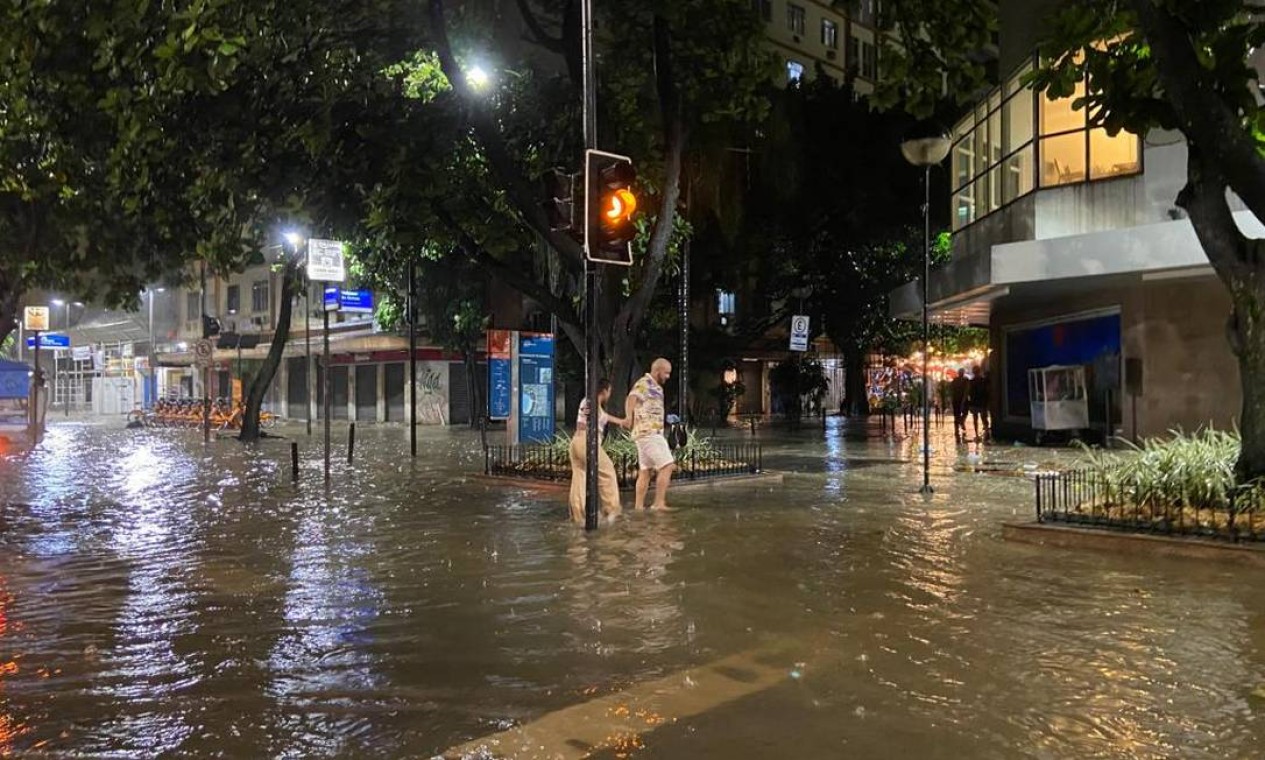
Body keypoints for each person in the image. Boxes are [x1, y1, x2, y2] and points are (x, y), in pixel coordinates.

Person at [569, 379, 626, 524]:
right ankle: (612, 510)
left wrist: (622, 422)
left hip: (576, 443)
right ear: (605, 391)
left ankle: (578, 516)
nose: (610, 394)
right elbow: (582, 422)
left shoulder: (594, 405)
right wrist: (586, 431)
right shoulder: (590, 402)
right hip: (587, 442)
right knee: (608, 472)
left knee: (579, 478)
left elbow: (606, 417)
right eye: (610, 391)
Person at [627, 358, 675, 511]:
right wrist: (629, 418)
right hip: (649, 433)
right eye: (666, 373)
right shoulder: (644, 383)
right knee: (667, 466)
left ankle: (639, 507)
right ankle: (658, 503)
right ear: (658, 370)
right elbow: (631, 398)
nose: (668, 376)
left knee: (645, 471)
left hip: (646, 433)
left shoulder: (657, 387)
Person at [969, 364, 991, 441]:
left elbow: (968, 392)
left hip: (974, 402)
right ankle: (987, 431)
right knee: (984, 418)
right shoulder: (983, 380)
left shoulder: (971, 381)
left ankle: (977, 435)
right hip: (982, 401)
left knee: (975, 418)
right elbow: (987, 391)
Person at [950, 369, 970, 442]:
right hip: (957, 400)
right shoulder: (956, 380)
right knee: (957, 415)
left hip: (959, 399)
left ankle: (960, 424)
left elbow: (967, 390)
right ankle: (958, 427)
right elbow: (952, 390)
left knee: (962, 414)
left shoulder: (965, 380)